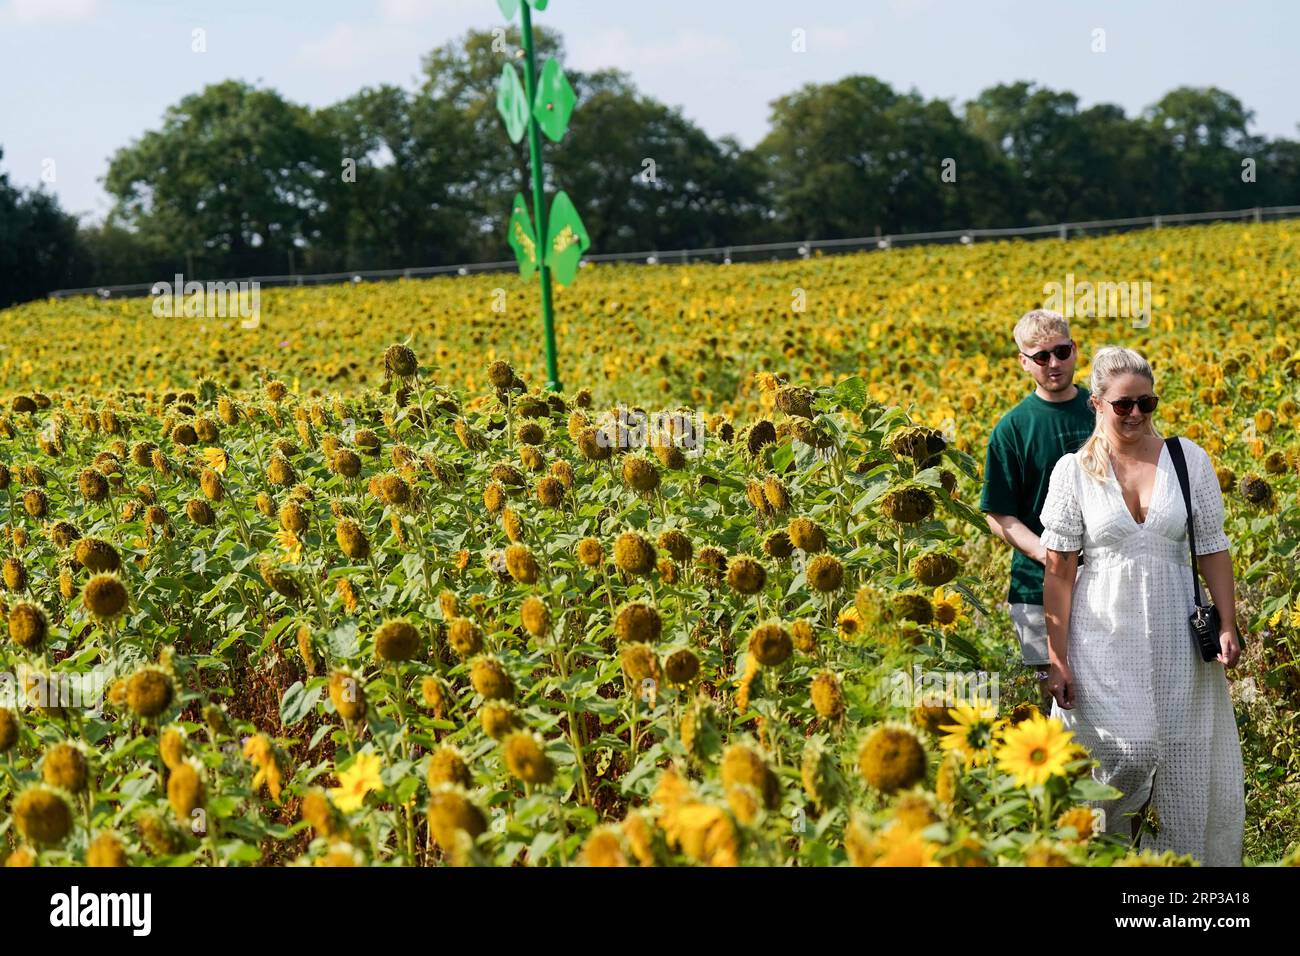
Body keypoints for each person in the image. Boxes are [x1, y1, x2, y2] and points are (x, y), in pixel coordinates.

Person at [1038, 345, 1245, 865]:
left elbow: (1213, 547)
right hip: (1101, 637)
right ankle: (1097, 856)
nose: (1135, 415)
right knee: (1120, 754)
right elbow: (1059, 570)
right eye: (1122, 405)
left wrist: (1228, 622)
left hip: (1179, 635)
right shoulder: (1073, 471)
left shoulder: (1187, 459)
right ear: (1096, 403)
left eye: (1146, 404)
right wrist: (1056, 657)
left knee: (1181, 762)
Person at [980, 310, 1095, 710]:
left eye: (1061, 352)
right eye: (1041, 356)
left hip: (1109, 579)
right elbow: (999, 515)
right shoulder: (1012, 429)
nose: (1054, 364)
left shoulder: (1106, 410)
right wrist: (1049, 554)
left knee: (1112, 693)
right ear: (1023, 361)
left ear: (1074, 350)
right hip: (1036, 589)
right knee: (1057, 703)